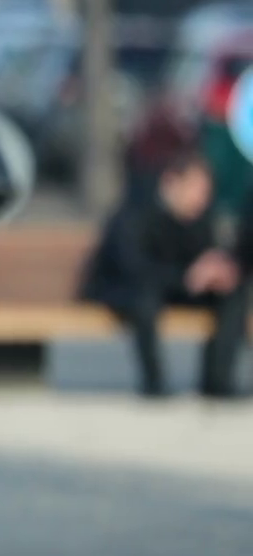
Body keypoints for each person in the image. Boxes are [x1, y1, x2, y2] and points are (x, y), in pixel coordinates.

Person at [80, 151, 246, 399]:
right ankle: (154, 384)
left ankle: (218, 382)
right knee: (144, 299)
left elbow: (204, 260)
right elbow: (133, 269)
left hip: (175, 288)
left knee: (232, 292)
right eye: (196, 189)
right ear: (172, 182)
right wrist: (188, 277)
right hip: (123, 290)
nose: (201, 198)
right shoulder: (136, 210)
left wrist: (215, 270)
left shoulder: (200, 217)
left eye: (205, 192)